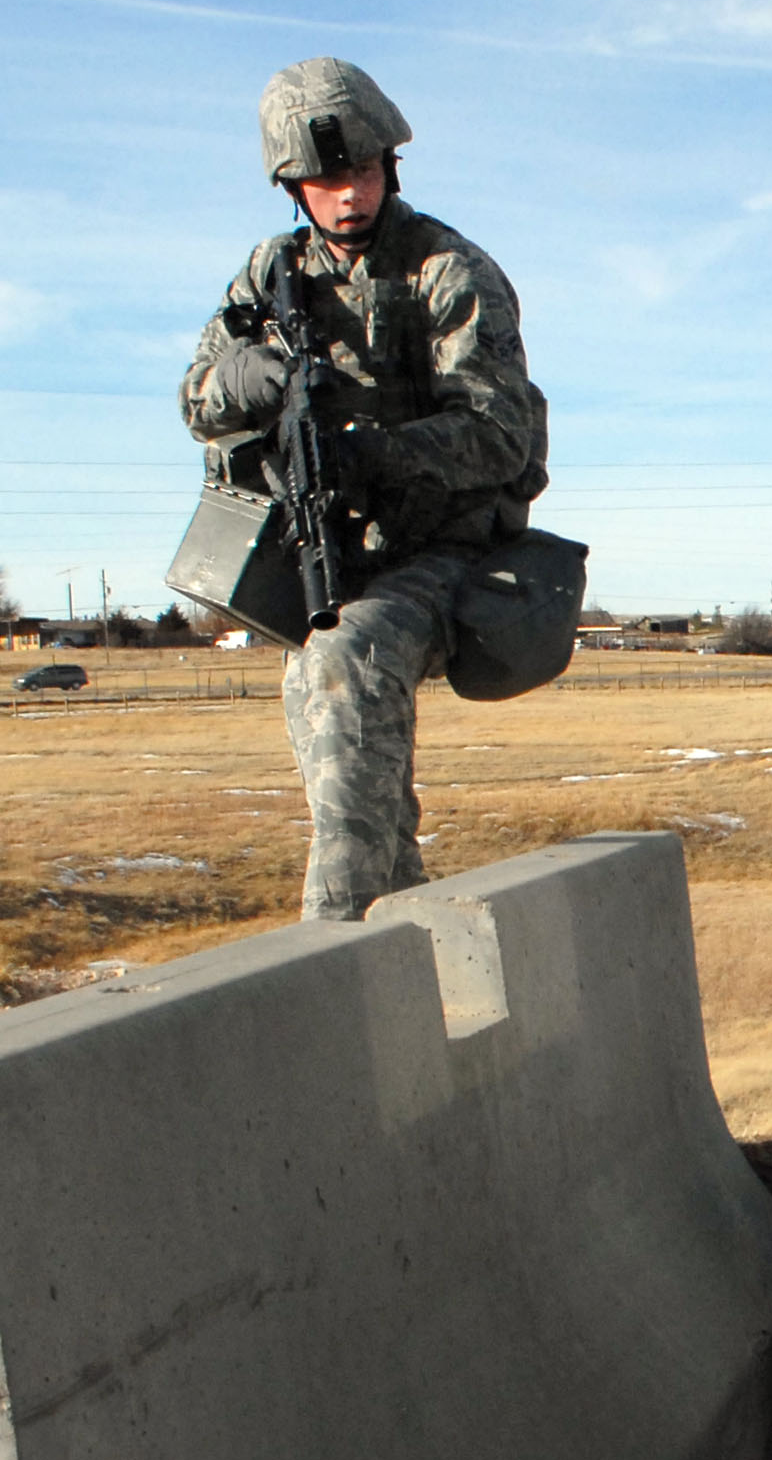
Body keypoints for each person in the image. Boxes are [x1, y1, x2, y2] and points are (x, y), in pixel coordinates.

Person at [181, 57, 549, 920]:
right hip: (334, 554)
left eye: (365, 170)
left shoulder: (449, 271)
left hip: (445, 549)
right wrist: (243, 379)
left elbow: (501, 434)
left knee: (345, 660)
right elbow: (196, 400)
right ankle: (403, 934)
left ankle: (333, 944)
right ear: (293, 188)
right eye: (326, 179)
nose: (349, 194)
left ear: (391, 165)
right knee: (329, 707)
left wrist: (374, 455)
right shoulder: (270, 274)